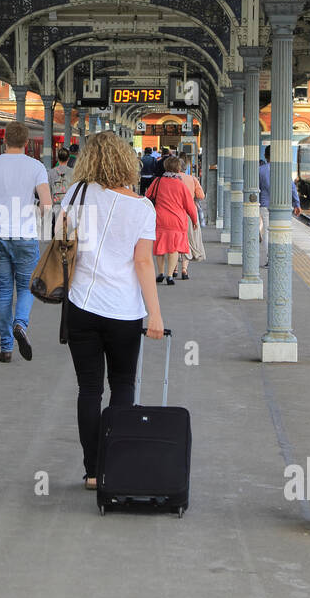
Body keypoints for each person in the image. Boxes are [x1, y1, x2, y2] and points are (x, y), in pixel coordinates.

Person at [60, 130, 164, 490]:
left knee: (88, 389)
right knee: (122, 385)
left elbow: (57, 239)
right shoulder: (141, 207)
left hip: (81, 306)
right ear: (126, 162)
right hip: (123, 310)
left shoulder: (75, 195)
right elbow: (143, 263)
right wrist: (156, 314)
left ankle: (91, 470)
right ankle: (114, 466)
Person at [0, 120, 51, 363]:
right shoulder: (36, 167)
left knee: (4, 292)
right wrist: (38, 214)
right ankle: (20, 324)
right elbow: (47, 205)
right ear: (27, 143)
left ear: (5, 141)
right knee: (27, 287)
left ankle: (6, 347)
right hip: (25, 236)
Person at [146, 156, 198, 285]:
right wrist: (195, 220)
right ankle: (170, 276)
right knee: (173, 248)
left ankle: (160, 273)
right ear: (178, 168)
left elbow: (147, 197)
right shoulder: (181, 185)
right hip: (177, 220)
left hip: (160, 219)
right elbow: (189, 205)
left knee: (160, 247)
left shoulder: (157, 181)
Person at [258, 145, 302, 268]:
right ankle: (281, 257)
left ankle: (270, 259)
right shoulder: (283, 170)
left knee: (267, 232)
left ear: (266, 156)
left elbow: (257, 189)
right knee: (282, 231)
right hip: (282, 206)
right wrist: (296, 204)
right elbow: (292, 188)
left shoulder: (260, 170)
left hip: (265, 205)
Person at [175, 164, 208, 279]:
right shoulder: (192, 179)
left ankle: (174, 268)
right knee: (188, 239)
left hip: (175, 211)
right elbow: (201, 195)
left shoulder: (170, 179)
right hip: (190, 212)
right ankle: (184, 269)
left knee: (176, 239)